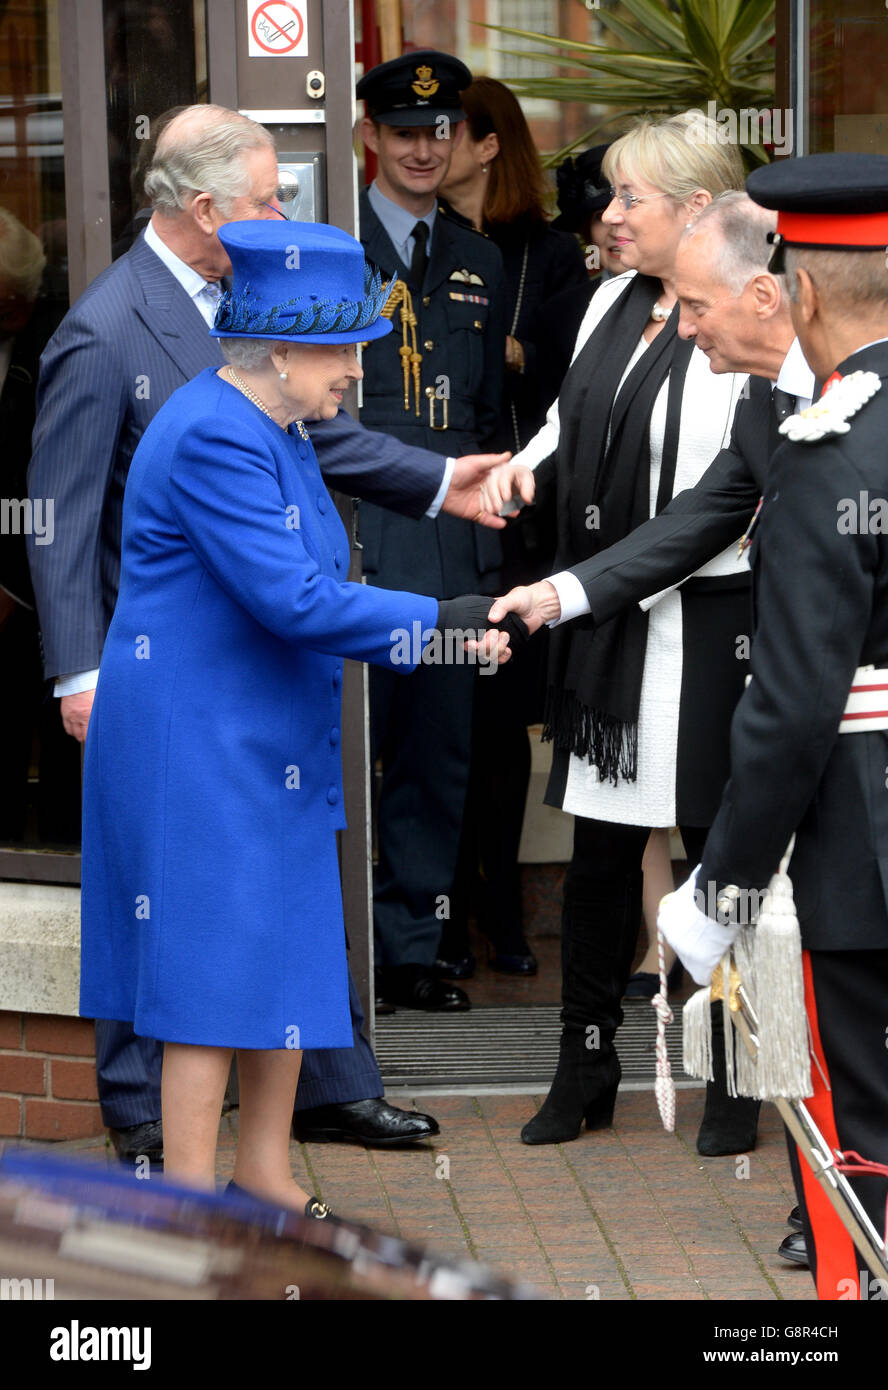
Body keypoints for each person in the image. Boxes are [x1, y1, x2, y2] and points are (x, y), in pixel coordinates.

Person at [26, 103, 510, 1161]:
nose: (356, 379)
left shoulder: (265, 399)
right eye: (267, 196)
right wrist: (447, 624)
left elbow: (330, 446)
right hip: (195, 724)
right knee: (203, 968)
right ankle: (176, 1172)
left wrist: (439, 482)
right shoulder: (118, 338)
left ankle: (263, 1177)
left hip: (260, 726)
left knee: (280, 953)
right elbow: (72, 522)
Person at [487, 190, 816, 1163]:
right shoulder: (613, 304)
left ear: (699, 209)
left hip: (718, 622)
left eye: (635, 194)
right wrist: (563, 572)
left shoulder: (794, 374)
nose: (611, 213)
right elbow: (565, 424)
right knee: (600, 858)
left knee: (735, 858)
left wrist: (567, 589)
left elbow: (718, 508)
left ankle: (743, 1079)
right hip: (616, 614)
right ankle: (584, 1066)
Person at [658, 151, 888, 1301]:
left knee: (860, 1163)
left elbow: (795, 707)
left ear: (796, 294)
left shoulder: (830, 449)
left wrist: (718, 892)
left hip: (864, 861)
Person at [356, 52, 507, 1011]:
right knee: (331, 745)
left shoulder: (479, 259)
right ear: (368, 135)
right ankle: (337, 946)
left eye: (439, 131)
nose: (423, 148)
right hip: (352, 532)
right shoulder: (324, 247)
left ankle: (411, 945)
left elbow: (486, 416)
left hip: (447, 543)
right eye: (406, 132)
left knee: (433, 754)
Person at [436, 77, 588, 979]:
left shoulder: (551, 253)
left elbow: (573, 378)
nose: (428, 146)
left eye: (448, 130)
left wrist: (511, 350)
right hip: (436, 501)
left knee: (496, 726)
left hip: (521, 521)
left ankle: (501, 911)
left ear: (489, 145)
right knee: (437, 720)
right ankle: (445, 922)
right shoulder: (417, 245)